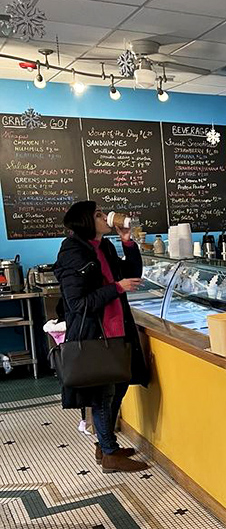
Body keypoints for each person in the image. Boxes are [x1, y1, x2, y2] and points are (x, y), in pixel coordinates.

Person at [53, 202, 150, 473]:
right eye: (98, 214)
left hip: (116, 330)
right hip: (95, 334)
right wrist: (116, 288)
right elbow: (77, 304)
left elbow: (132, 274)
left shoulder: (104, 247)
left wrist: (127, 242)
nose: (105, 216)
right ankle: (109, 454)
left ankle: (106, 444)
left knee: (118, 387)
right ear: (85, 221)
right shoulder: (72, 253)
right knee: (103, 395)